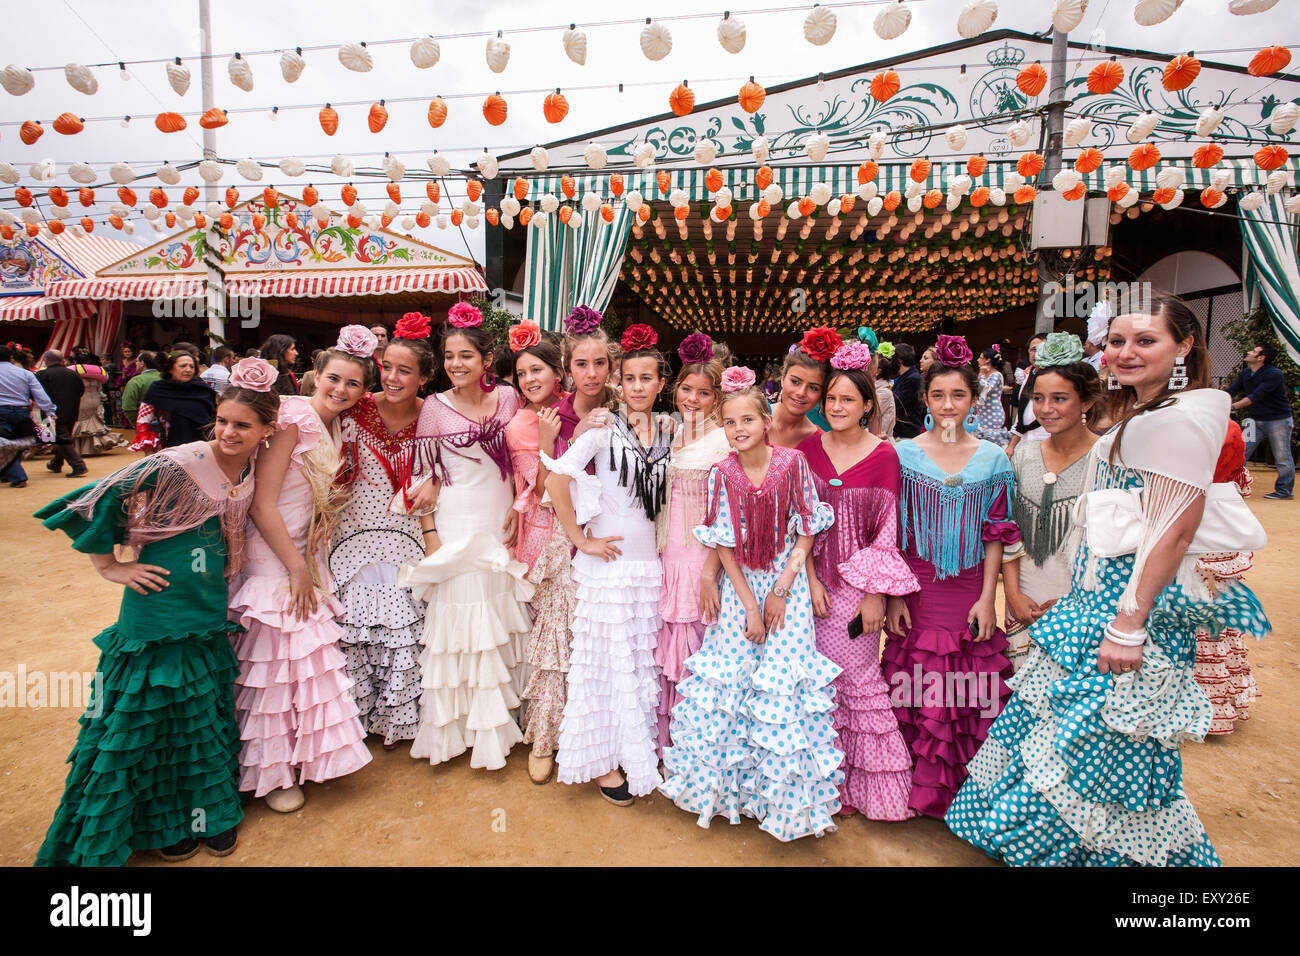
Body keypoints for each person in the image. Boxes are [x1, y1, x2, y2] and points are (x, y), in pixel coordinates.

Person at [946, 296, 1271, 867]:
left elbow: (1175, 526)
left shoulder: (1177, 416)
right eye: (1118, 341)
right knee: (1078, 735)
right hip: (1097, 596)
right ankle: (1069, 848)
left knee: (1098, 741)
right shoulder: (1145, 412)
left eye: (1146, 341)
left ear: (1185, 347)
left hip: (1124, 605)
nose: (1126, 352)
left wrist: (1130, 623)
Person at [33, 360, 277, 865]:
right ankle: (159, 824)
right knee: (149, 718)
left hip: (208, 606)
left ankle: (206, 814)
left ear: (265, 431)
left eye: (243, 425)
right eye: (224, 421)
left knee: (196, 719)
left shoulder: (253, 467)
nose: (230, 432)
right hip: (157, 609)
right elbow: (97, 498)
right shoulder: (180, 460)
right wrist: (110, 566)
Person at [660, 366, 839, 840]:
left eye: (748, 420)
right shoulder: (722, 472)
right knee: (733, 677)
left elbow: (808, 528)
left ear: (765, 420)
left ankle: (781, 798)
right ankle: (732, 793)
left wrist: (780, 591)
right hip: (742, 584)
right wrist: (750, 606)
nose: (740, 430)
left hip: (788, 581)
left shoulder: (793, 464)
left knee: (781, 685)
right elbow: (722, 542)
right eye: (731, 423)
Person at [228, 328, 374, 812]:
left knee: (302, 665)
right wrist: (295, 568)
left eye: (353, 384)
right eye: (334, 378)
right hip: (274, 554)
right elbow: (262, 504)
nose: (342, 390)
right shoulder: (292, 416)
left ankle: (300, 760)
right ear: (317, 374)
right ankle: (272, 773)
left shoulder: (335, 425)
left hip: (306, 551)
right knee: (274, 665)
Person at [884, 334, 1022, 819]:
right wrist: (895, 596)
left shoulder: (993, 458)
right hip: (917, 587)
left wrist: (990, 598)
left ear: (974, 398)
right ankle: (912, 788)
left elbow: (996, 534)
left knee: (966, 683)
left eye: (958, 395)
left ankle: (963, 798)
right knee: (915, 679)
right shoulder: (902, 455)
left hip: (968, 588)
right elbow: (893, 533)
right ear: (925, 399)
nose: (947, 405)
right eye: (938, 395)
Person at [399, 302, 533, 772]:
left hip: (501, 522)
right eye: (450, 356)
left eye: (466, 356)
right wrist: (432, 537)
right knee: (463, 627)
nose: (457, 364)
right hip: (456, 526)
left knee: (501, 619)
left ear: (487, 360)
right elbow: (424, 480)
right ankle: (461, 734)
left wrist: (520, 508)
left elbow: (522, 462)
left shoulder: (513, 400)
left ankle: (502, 723)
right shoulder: (435, 409)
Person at [542, 323, 671, 806]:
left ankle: (633, 749)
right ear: (619, 381)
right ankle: (604, 761)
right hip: (609, 567)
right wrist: (580, 539)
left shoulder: (670, 431)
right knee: (603, 665)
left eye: (647, 379)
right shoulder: (600, 429)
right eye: (631, 378)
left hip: (646, 569)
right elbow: (557, 481)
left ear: (662, 384)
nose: (638, 387)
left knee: (637, 665)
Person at [799, 341, 918, 820]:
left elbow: (887, 531)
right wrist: (807, 581)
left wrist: (875, 595)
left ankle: (858, 789)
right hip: (810, 584)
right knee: (813, 686)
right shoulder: (807, 449)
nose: (837, 407)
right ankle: (819, 781)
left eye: (848, 399)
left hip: (855, 591)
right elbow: (796, 522)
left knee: (856, 681)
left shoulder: (885, 456)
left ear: (869, 404)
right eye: (831, 399)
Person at [331, 316, 432, 750]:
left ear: (425, 377)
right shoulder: (354, 407)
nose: (391, 377)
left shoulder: (435, 416)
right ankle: (358, 715)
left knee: (404, 622)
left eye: (404, 370)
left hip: (408, 533)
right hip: (353, 530)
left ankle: (399, 715)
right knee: (356, 623)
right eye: (386, 365)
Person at [503, 320, 576, 784]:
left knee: (576, 636)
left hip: (582, 533)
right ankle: (545, 736)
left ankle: (581, 729)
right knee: (548, 636)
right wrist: (548, 448)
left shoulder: (577, 412)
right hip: (542, 533)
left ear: (558, 373)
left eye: (538, 370)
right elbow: (538, 489)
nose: (530, 380)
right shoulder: (520, 422)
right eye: (522, 373)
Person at [1000, 334, 1100, 670]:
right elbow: (1006, 531)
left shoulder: (1108, 460)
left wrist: (1076, 601)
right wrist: (1013, 595)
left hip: (1085, 604)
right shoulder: (1022, 456)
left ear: (1085, 402)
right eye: (1038, 398)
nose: (1046, 409)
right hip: (1024, 598)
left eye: (1059, 398)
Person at [655, 334, 730, 756]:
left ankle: (697, 750)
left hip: (701, 561)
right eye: (687, 389)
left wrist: (711, 570)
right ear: (675, 389)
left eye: (704, 392)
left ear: (717, 398)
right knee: (668, 651)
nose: (693, 399)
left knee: (697, 648)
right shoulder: (667, 431)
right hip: (667, 556)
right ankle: (669, 744)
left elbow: (728, 514)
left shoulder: (724, 441)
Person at [1193, 420, 1263, 734]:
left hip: (1195, 543)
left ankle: (1192, 709)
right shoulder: (1229, 428)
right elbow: (1243, 487)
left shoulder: (1193, 432)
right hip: (1222, 547)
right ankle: (1217, 704)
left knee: (1192, 629)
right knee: (1216, 630)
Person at [1225, 342, 1293, 500]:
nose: (1249, 352)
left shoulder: (1274, 374)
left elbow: (1255, 396)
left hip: (1278, 420)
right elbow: (1233, 390)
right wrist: (1220, 398)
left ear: (1261, 358)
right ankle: (1233, 486)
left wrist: (1232, 406)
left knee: (1282, 456)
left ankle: (1284, 491)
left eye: (1253, 351)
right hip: (1255, 420)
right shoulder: (1246, 373)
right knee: (1241, 452)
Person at [768, 327, 836, 449]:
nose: (801, 392)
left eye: (813, 388)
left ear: (822, 393)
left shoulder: (820, 442)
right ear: (782, 378)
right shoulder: (753, 418)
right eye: (795, 382)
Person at [1, 344, 57, 487]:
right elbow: (40, 394)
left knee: (6, 444)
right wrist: (50, 410)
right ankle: (7, 473)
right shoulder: (25, 373)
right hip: (22, 411)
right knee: (16, 443)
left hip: (1, 412)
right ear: (11, 358)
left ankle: (17, 476)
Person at [143, 351, 217, 449]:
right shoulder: (157, 389)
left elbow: (215, 419)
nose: (188, 370)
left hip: (203, 449)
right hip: (169, 450)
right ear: (170, 369)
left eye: (192, 366)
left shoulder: (203, 390)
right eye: (183, 366)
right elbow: (143, 422)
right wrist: (149, 449)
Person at [36, 350, 88, 479]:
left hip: (52, 411)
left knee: (61, 438)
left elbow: (38, 394)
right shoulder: (73, 374)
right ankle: (56, 463)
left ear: (46, 359)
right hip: (72, 410)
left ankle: (78, 465)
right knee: (63, 437)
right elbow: (81, 390)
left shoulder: (42, 374)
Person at [1004, 333, 1049, 458]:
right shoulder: (1029, 375)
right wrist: (1011, 446)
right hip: (1026, 442)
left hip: (1047, 440)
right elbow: (1022, 414)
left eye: (1042, 348)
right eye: (1033, 349)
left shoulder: (1057, 377)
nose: (1037, 353)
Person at [68, 356, 121, 457]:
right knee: (93, 425)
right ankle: (91, 448)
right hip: (95, 402)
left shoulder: (75, 376)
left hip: (82, 401)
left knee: (82, 426)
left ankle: (80, 449)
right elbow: (100, 391)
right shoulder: (96, 377)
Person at [974, 347, 1011, 447]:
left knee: (989, 443)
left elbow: (986, 389)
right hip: (982, 414)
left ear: (988, 360)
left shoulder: (996, 375)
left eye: (980, 357)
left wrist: (981, 375)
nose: (978, 360)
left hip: (992, 414)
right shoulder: (986, 375)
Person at [892, 343, 925, 439]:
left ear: (899, 360)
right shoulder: (905, 377)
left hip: (906, 433)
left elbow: (896, 402)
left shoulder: (913, 379)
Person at [121, 350, 161, 428]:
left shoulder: (136, 381)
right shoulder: (167, 378)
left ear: (142, 363)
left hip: (144, 425)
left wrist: (138, 424)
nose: (135, 363)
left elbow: (128, 407)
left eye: (137, 361)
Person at [106, 343, 141, 427]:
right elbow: (118, 374)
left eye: (129, 351)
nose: (127, 353)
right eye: (125, 352)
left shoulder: (136, 362)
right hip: (122, 386)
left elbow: (137, 373)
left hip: (132, 385)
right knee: (121, 407)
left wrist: (127, 375)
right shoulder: (122, 362)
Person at [874, 344, 898, 440]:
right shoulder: (878, 388)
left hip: (881, 440)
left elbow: (871, 417)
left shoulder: (883, 392)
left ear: (878, 371)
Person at [368, 325, 388, 394]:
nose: (380, 339)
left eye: (383, 335)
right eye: (376, 335)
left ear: (387, 339)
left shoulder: (395, 358)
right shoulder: (363, 360)